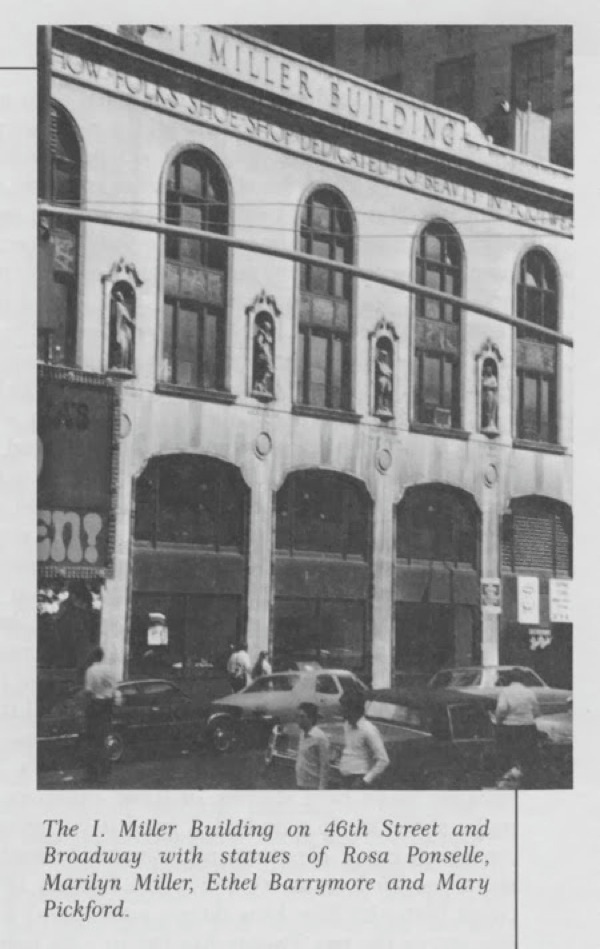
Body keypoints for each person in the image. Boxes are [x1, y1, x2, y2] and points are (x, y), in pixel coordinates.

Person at [83, 647, 120, 783]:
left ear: (93, 657)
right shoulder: (110, 670)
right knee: (105, 739)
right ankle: (105, 772)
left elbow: (88, 691)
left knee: (93, 741)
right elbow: (115, 689)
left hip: (96, 706)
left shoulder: (91, 670)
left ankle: (93, 773)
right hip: (108, 706)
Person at [495, 668, 540, 779]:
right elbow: (536, 711)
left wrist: (498, 721)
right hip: (528, 727)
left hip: (510, 727)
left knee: (509, 755)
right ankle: (527, 777)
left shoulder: (505, 692)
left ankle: (510, 776)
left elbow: (502, 709)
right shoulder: (530, 692)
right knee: (526, 756)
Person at [338, 690, 389, 789]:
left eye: (344, 707)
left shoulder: (368, 729)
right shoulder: (347, 725)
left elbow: (384, 760)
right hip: (344, 779)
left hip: (358, 780)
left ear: (354, 709)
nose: (341, 710)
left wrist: (365, 780)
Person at [295, 702, 330, 790]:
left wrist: (322, 789)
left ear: (311, 718)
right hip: (300, 783)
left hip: (312, 786)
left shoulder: (320, 737)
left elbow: (325, 765)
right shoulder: (302, 733)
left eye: (302, 717)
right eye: (298, 716)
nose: (298, 720)